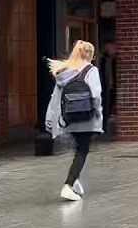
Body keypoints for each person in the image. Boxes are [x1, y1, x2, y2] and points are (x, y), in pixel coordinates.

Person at [44, 40, 103, 202]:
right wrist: (99, 118)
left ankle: (75, 180)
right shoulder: (91, 71)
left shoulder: (64, 72)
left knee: (78, 149)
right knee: (82, 151)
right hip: (86, 117)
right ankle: (68, 185)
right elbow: (96, 96)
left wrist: (50, 119)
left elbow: (55, 98)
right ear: (90, 55)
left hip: (69, 117)